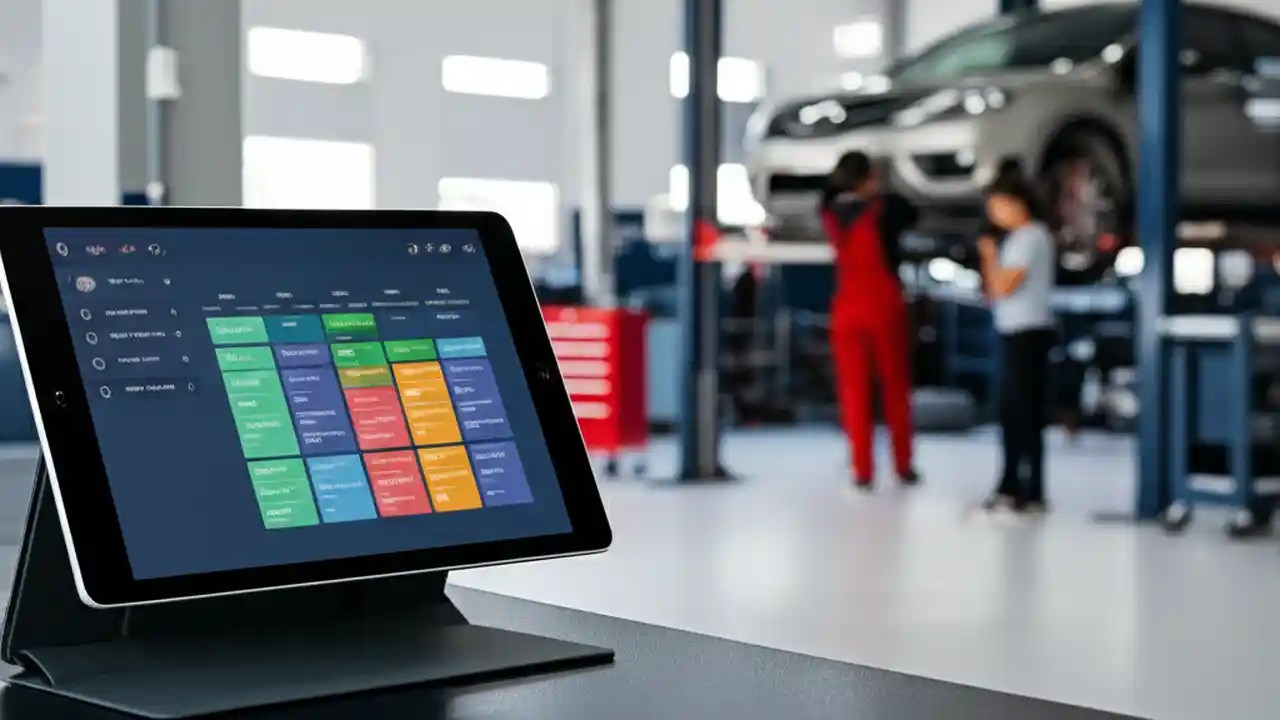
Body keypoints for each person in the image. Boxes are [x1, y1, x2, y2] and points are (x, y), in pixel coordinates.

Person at [820, 151, 920, 490]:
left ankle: (862, 469)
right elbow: (912, 212)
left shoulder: (830, 210)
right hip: (883, 305)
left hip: (846, 306)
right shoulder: (885, 209)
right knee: (894, 387)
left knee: (853, 391)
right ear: (869, 178)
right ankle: (903, 464)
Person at [977, 161, 1056, 513]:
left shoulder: (1030, 237)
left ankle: (1021, 487)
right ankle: (1019, 484)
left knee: (1021, 413)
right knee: (1015, 413)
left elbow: (1001, 286)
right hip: (1014, 332)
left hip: (1027, 334)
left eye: (996, 205)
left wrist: (989, 256)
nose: (993, 214)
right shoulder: (1023, 239)